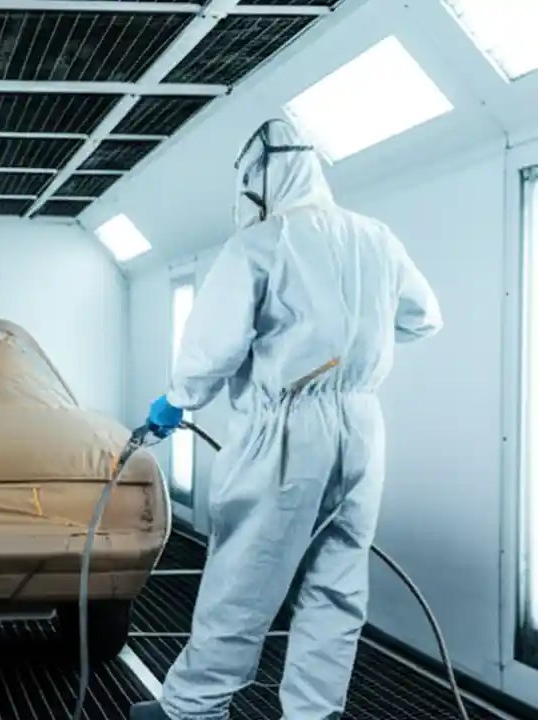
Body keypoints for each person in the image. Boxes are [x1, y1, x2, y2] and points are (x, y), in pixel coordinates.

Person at [128, 118, 442, 720]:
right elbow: (424, 317)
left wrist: (176, 401)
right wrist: (357, 347)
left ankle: (192, 709)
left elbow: (213, 349)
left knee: (244, 576)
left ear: (263, 176)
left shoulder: (263, 242)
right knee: (337, 582)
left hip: (288, 431)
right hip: (362, 428)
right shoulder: (377, 237)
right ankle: (313, 713)